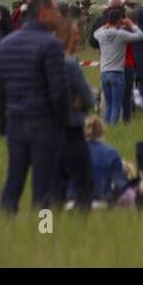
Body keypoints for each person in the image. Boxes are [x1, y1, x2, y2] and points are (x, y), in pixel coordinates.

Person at [0, 0, 69, 214]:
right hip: (44, 124)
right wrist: (64, 121)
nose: (58, 15)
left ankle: (7, 226)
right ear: (43, 11)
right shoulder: (51, 45)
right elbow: (58, 92)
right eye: (55, 10)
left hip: (15, 122)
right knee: (43, 187)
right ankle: (44, 231)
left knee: (14, 180)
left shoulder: (6, 44)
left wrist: (2, 123)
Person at [57, 19, 95, 210]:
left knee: (53, 184)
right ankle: (81, 223)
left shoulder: (43, 59)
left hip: (47, 131)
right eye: (75, 34)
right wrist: (79, 100)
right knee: (83, 179)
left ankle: (45, 228)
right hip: (72, 128)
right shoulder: (70, 64)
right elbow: (89, 98)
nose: (79, 37)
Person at [94, 7, 143, 124]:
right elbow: (140, 36)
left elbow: (95, 33)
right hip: (117, 73)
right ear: (119, 21)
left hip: (104, 73)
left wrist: (106, 25)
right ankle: (114, 126)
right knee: (116, 105)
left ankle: (106, 128)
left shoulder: (101, 34)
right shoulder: (121, 35)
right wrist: (131, 24)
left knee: (109, 104)